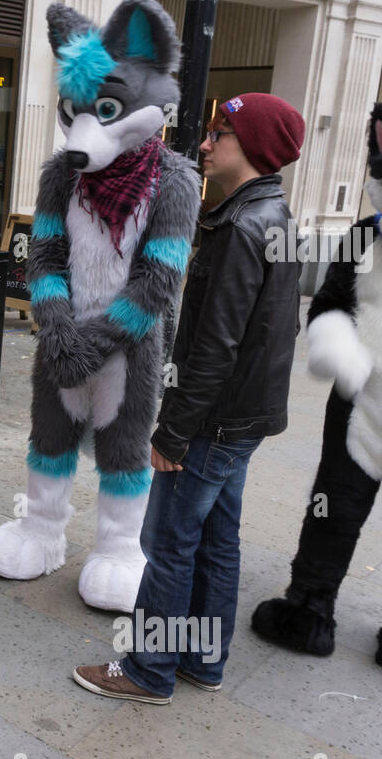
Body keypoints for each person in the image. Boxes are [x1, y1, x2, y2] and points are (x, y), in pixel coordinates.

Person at [74, 93, 306, 703]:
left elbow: (214, 349)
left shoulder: (241, 228)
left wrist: (172, 432)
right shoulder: (274, 217)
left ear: (252, 147)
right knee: (217, 538)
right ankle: (204, 659)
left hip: (213, 422)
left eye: (219, 134)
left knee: (169, 542)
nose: (203, 145)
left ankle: (149, 669)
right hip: (244, 420)